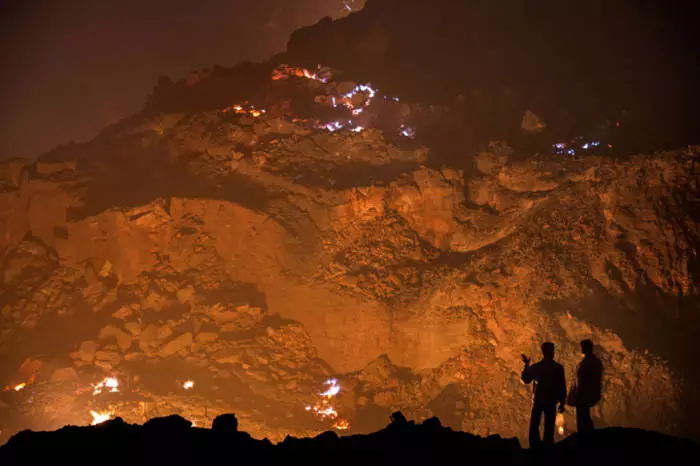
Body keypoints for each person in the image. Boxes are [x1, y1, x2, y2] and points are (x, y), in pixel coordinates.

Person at [521, 342, 567, 447]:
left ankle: (535, 449)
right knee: (549, 427)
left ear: (543, 352)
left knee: (534, 426)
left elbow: (525, 379)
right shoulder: (558, 368)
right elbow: (562, 387)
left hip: (539, 401)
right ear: (552, 351)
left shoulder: (538, 367)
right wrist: (562, 403)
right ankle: (548, 449)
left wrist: (526, 365)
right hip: (551, 402)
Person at [575, 339, 603, 433]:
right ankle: (587, 434)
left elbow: (591, 377)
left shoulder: (590, 362)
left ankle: (585, 436)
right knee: (584, 415)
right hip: (585, 393)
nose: (581, 349)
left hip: (585, 393)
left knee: (582, 415)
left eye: (583, 347)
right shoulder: (593, 361)